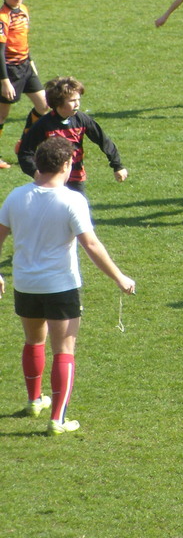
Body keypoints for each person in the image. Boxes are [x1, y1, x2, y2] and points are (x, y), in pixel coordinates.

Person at [0, 136, 136, 435]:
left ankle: (35, 401)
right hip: (60, 286)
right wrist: (120, 277)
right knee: (64, 350)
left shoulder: (16, 196)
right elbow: (91, 245)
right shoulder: (72, 199)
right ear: (66, 164)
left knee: (33, 341)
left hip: (25, 284)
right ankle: (57, 419)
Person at [17, 76, 127, 197]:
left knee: (79, 211)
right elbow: (25, 152)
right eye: (72, 101)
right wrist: (35, 173)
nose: (77, 104)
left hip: (76, 176)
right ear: (58, 102)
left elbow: (103, 141)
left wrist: (118, 166)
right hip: (52, 179)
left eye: (78, 99)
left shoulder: (82, 119)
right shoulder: (43, 125)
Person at [0, 0, 50, 169]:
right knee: (2, 115)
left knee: (44, 105)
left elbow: (22, 40)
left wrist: (30, 61)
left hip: (25, 66)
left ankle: (25, 144)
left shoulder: (24, 10)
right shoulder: (3, 17)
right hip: (9, 71)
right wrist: (4, 81)